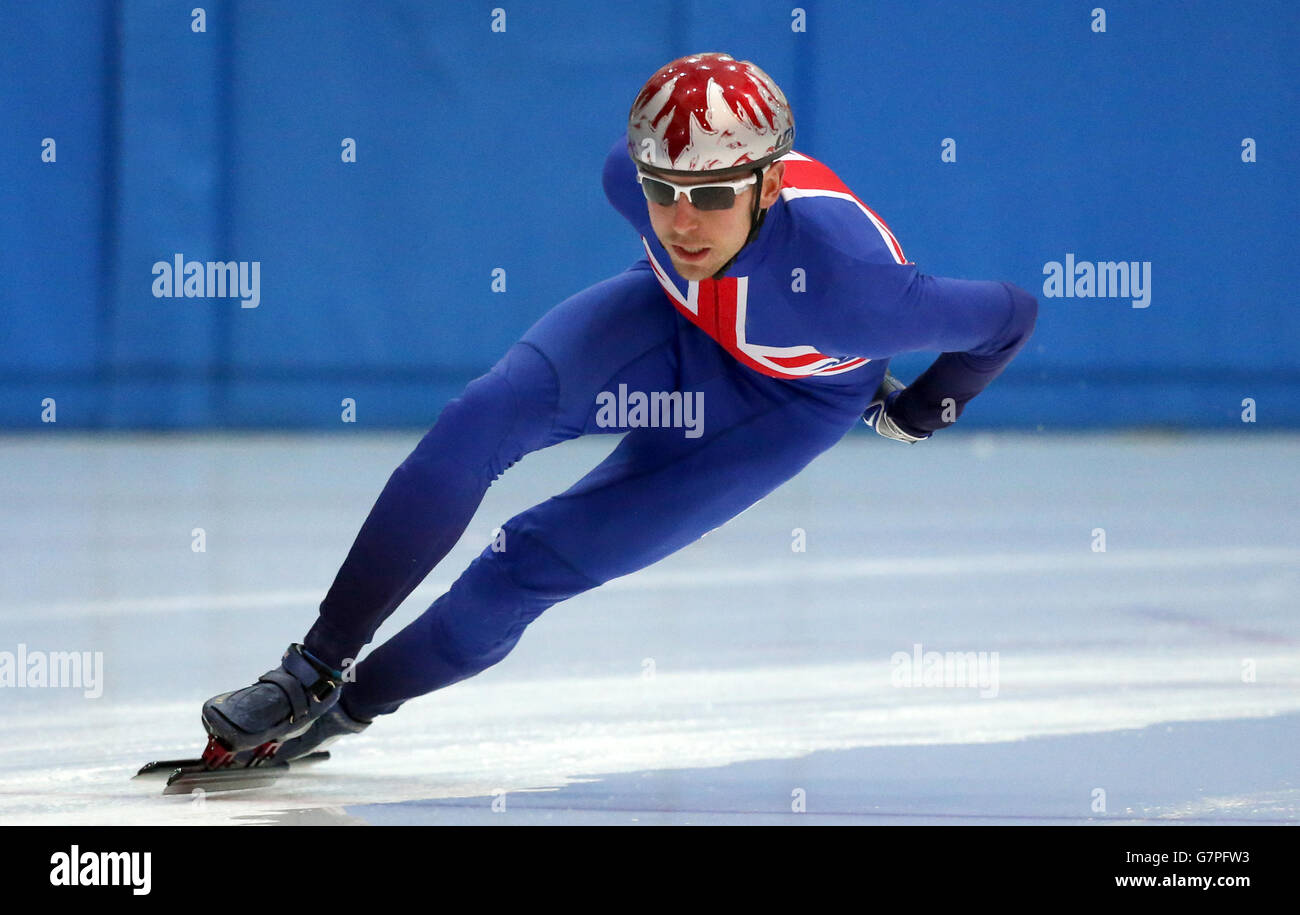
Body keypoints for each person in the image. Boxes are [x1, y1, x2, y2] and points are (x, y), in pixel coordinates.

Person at [197, 52, 1038, 768]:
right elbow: (673, 207)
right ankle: (309, 669)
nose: (680, 221)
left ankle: (350, 711)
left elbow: (1011, 315)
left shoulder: (857, 292)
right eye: (662, 191)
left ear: (771, 184)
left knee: (523, 567)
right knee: (481, 421)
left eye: (711, 197)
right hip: (669, 323)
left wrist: (921, 410)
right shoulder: (627, 183)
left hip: (779, 403)